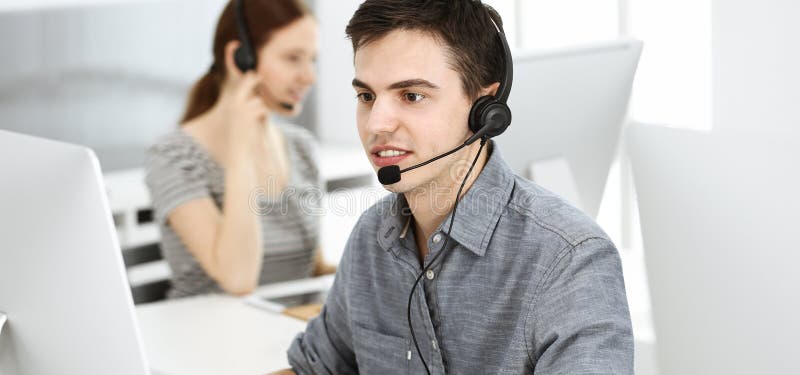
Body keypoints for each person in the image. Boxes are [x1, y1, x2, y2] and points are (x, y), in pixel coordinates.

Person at [279, 0, 633, 374]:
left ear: (485, 108)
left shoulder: (569, 261)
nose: (376, 124)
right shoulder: (371, 239)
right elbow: (314, 369)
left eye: (411, 95)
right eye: (367, 96)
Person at [145, 0, 332, 299]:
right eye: (293, 58)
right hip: (212, 337)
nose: (309, 77)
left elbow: (312, 268)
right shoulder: (174, 156)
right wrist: (240, 149)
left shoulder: (300, 147)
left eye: (312, 60)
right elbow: (238, 279)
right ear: (240, 58)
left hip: (291, 333)